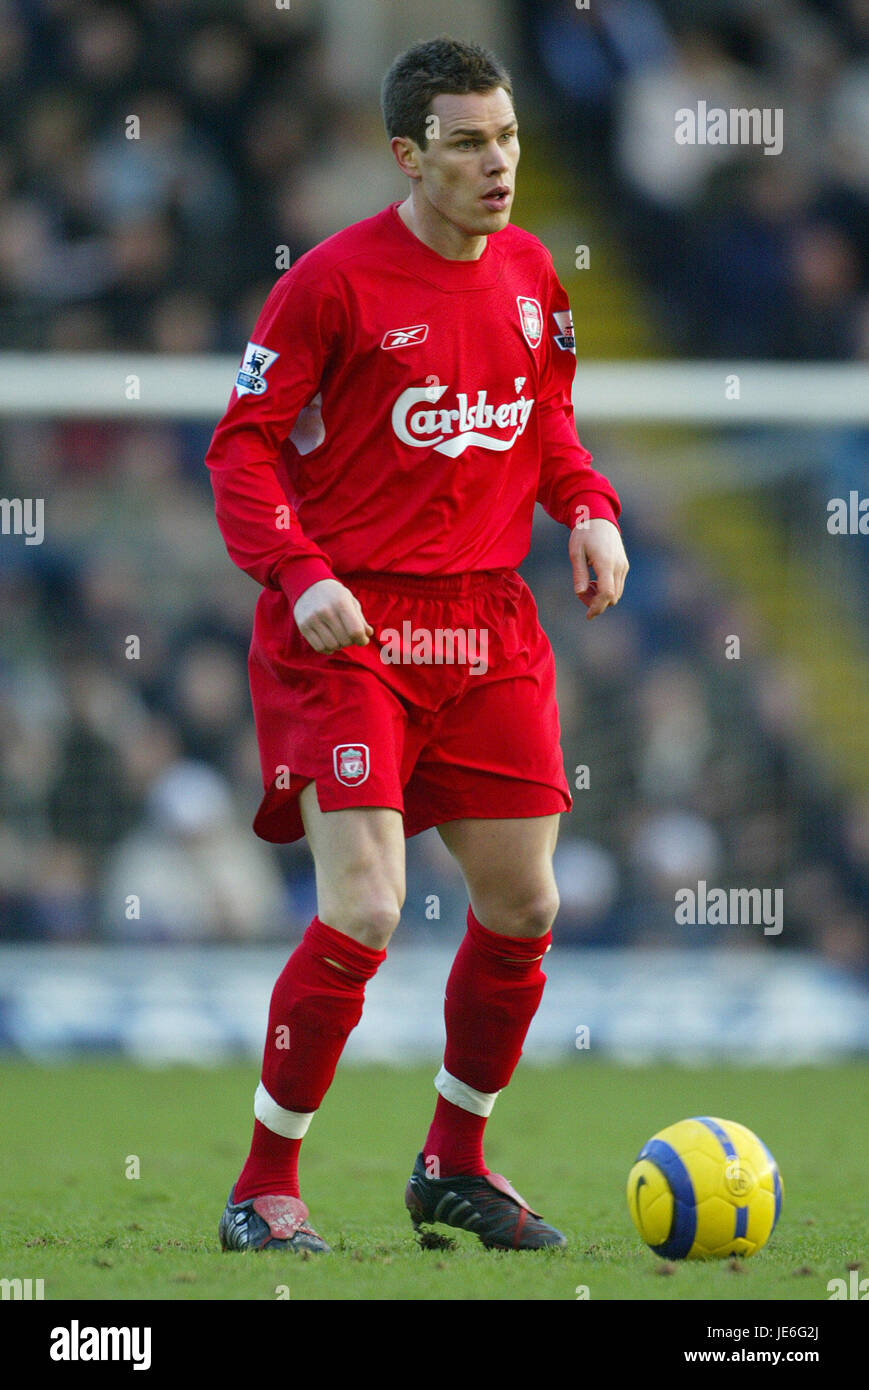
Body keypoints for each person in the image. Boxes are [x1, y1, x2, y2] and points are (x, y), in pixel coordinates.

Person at [206, 36, 628, 1254]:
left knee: (523, 899)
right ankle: (263, 1183)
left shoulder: (532, 273)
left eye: (505, 138)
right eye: (465, 143)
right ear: (407, 155)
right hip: (350, 627)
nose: (496, 164)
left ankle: (453, 1163)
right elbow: (242, 445)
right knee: (370, 906)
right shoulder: (331, 285)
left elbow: (542, 418)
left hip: (487, 622)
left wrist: (588, 508)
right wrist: (298, 572)